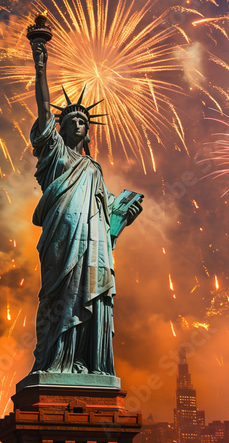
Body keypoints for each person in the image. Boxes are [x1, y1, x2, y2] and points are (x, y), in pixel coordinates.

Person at [27, 38, 142, 376]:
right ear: (59, 129)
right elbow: (45, 108)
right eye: (71, 118)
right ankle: (54, 360)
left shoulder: (93, 169)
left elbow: (109, 217)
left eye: (83, 119)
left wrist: (125, 216)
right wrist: (40, 63)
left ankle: (85, 361)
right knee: (60, 294)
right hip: (62, 239)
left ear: (88, 130)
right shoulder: (55, 155)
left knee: (89, 294)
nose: (78, 121)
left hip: (93, 246)